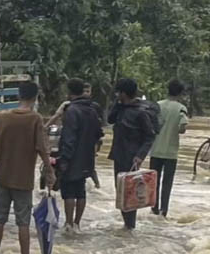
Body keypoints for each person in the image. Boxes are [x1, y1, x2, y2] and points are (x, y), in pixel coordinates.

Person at [0, 81, 53, 254]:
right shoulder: (35, 119)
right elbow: (41, 148)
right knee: (23, 223)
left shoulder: (4, 117)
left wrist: (4, 164)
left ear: (18, 95)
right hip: (23, 180)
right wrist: (49, 171)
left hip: (3, 177)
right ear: (35, 98)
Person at [107, 78, 156, 230]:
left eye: (118, 92)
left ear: (123, 93)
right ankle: (127, 226)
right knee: (121, 191)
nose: (117, 95)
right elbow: (109, 119)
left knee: (130, 193)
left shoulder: (140, 113)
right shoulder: (121, 109)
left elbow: (150, 136)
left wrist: (140, 156)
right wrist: (117, 103)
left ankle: (130, 226)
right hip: (119, 155)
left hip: (132, 158)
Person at [56, 78, 104, 233]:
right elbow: (99, 133)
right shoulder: (92, 110)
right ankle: (77, 224)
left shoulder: (71, 111)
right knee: (80, 190)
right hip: (87, 158)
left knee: (69, 191)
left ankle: (68, 224)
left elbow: (69, 138)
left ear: (69, 92)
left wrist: (64, 159)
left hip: (73, 158)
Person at [46, 83, 102, 189]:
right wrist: (45, 127)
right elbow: (57, 116)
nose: (86, 93)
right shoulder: (68, 105)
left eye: (88, 91)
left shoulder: (93, 107)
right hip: (71, 139)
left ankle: (97, 185)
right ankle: (54, 185)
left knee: (88, 167)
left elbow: (98, 130)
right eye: (84, 91)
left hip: (83, 141)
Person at [148, 79, 189, 217]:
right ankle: (164, 211)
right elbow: (182, 128)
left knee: (154, 182)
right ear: (181, 93)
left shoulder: (157, 105)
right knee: (167, 183)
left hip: (155, 150)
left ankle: (153, 208)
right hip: (171, 152)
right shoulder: (181, 108)